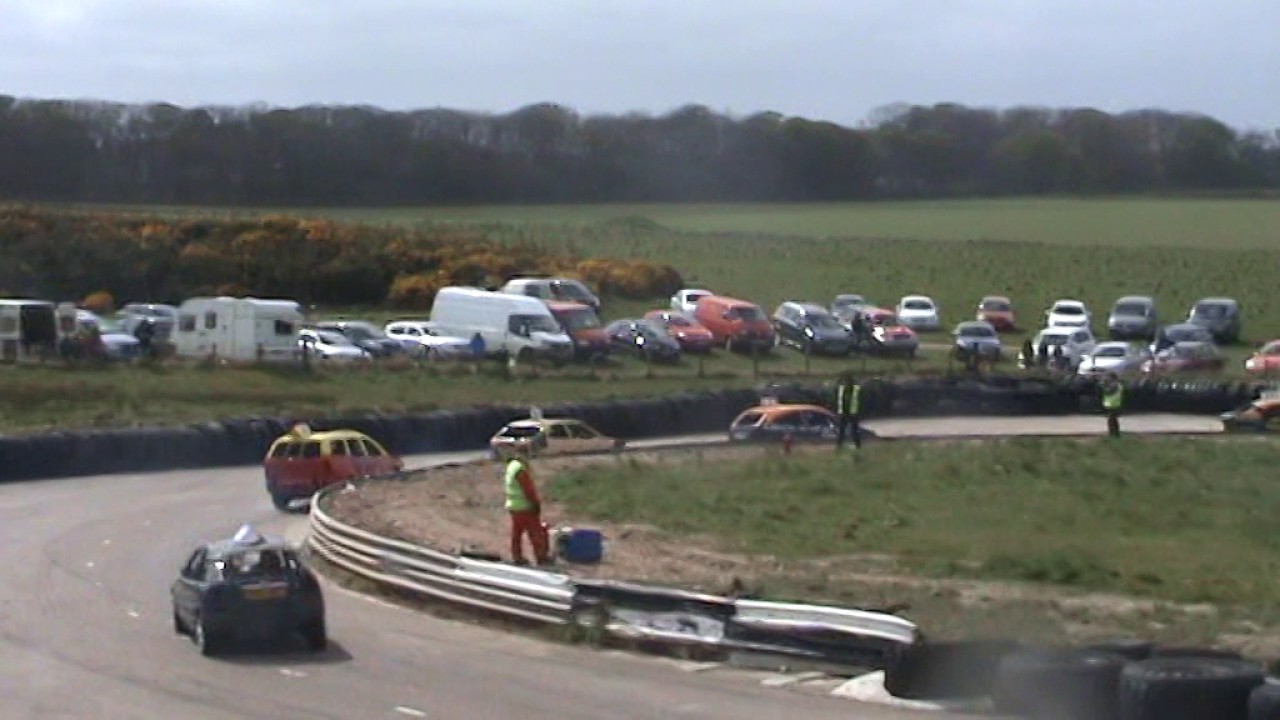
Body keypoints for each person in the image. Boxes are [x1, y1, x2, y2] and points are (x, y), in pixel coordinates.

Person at [504, 442, 551, 566]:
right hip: (524, 506)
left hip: (513, 505)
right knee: (535, 533)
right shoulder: (520, 469)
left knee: (517, 533)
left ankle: (517, 556)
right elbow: (528, 489)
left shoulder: (511, 465)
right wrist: (536, 504)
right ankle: (541, 558)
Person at [835, 372, 861, 451]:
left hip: (853, 413)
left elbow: (860, 400)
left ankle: (857, 446)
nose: (846, 383)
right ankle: (839, 447)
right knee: (841, 431)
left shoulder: (856, 389)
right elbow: (839, 400)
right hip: (843, 412)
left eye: (847, 381)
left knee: (854, 431)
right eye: (845, 381)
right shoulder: (841, 389)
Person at [1101, 373, 1124, 437]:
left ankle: (1112, 434)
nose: (1108, 379)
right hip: (1113, 404)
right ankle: (1116, 433)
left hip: (1113, 405)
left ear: (1112, 378)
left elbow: (1108, 392)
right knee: (1114, 420)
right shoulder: (1116, 384)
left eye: (1109, 378)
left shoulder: (1115, 385)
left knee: (1111, 420)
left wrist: (1104, 386)